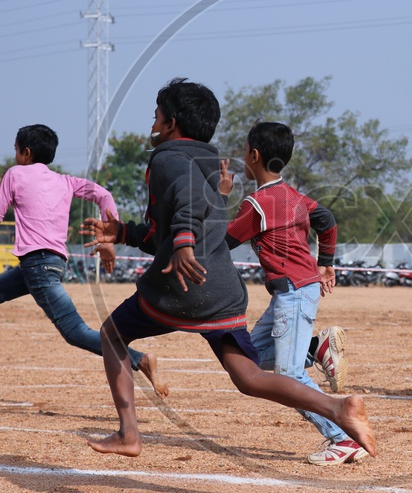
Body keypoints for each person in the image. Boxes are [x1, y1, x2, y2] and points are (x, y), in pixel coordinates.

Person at [79, 78, 375, 460]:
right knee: (250, 377)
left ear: (171, 123)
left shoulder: (169, 159)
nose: (151, 120)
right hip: (225, 290)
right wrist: (123, 233)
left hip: (186, 283)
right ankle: (338, 407)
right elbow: (167, 232)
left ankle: (129, 435)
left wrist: (184, 242)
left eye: (156, 113)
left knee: (113, 333)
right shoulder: (209, 164)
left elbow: (185, 206)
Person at [219, 121, 364, 466]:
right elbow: (326, 219)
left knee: (286, 376)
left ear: (254, 156)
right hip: (296, 290)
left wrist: (221, 195)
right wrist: (326, 262)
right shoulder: (294, 196)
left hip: (294, 292)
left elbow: (219, 242)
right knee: (251, 359)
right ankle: (316, 348)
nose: (242, 156)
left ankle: (342, 438)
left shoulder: (258, 204)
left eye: (244, 150)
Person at [0, 124, 166, 398]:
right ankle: (137, 358)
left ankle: (138, 358)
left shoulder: (15, 174)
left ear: (26, 153)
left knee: (75, 331)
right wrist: (107, 240)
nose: (15, 156)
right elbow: (104, 195)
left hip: (37, 266)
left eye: (16, 150)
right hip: (52, 263)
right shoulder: (65, 181)